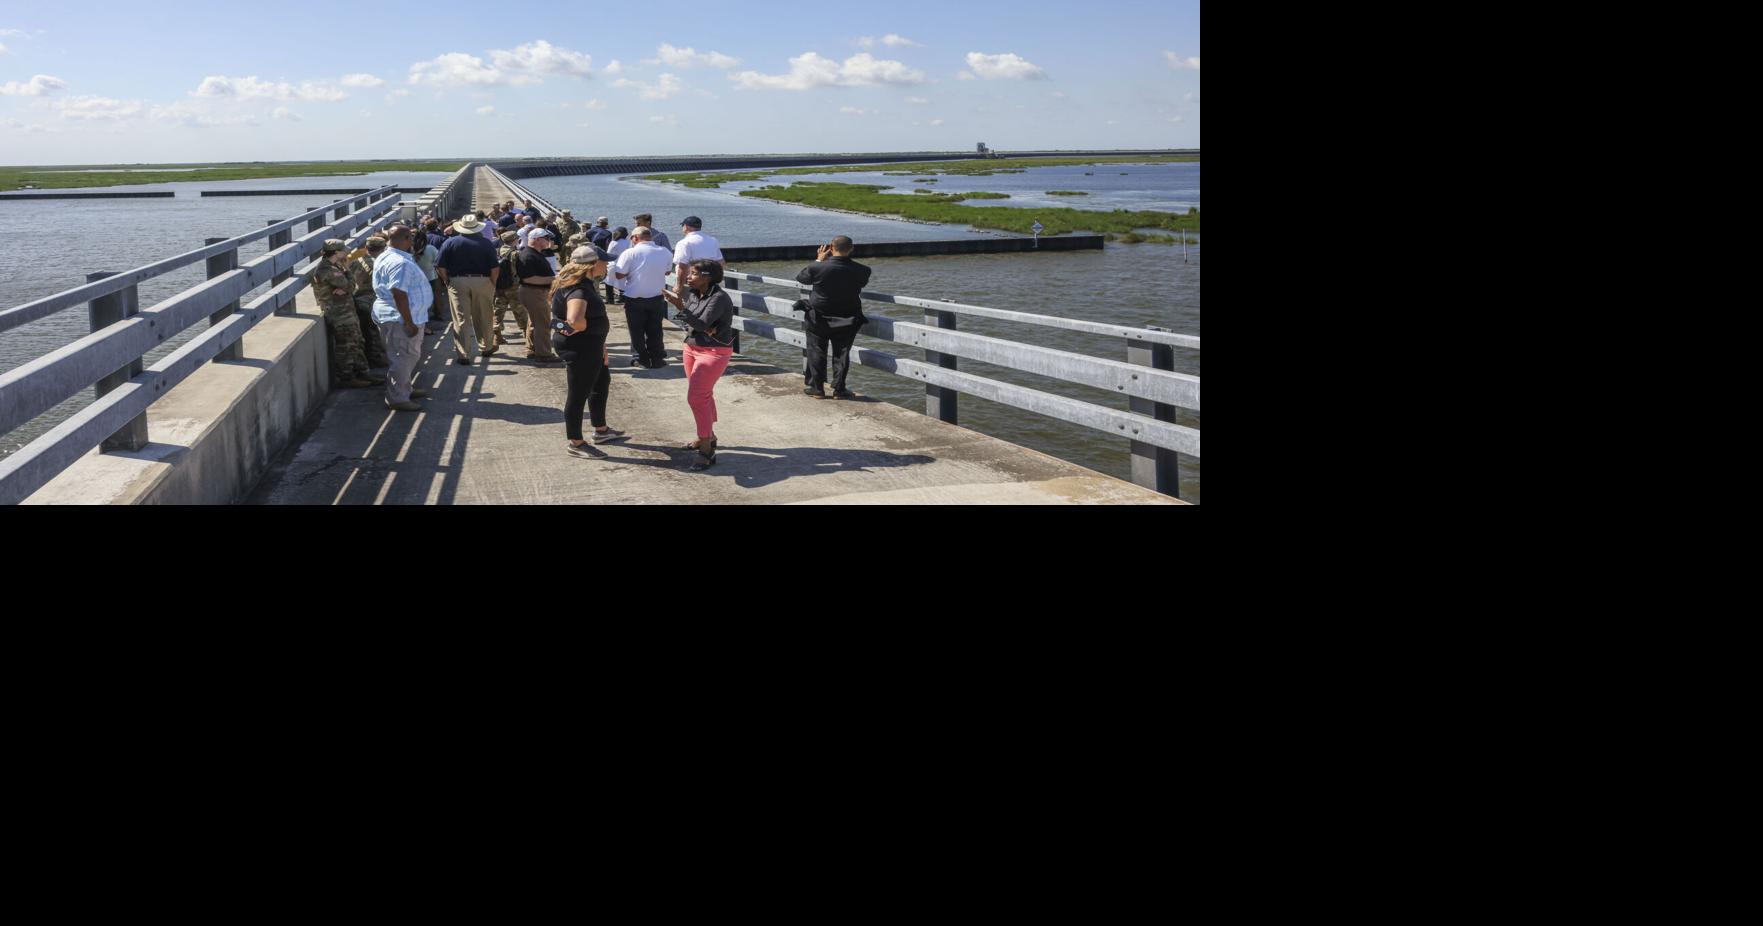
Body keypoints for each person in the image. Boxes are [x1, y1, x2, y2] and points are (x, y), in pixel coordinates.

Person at [550, 246, 628, 456]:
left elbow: (560, 322)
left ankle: (601, 430)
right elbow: (575, 321)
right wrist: (579, 328)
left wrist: (600, 344)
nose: (608, 264)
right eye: (604, 261)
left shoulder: (578, 283)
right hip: (581, 349)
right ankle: (576, 443)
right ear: (592, 265)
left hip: (591, 345)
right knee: (578, 394)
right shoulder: (580, 289)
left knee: (601, 383)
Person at [662, 259, 737, 471]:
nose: (688, 277)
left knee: (696, 397)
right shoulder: (695, 294)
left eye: (693, 274)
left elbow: (701, 323)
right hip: (691, 347)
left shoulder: (719, 298)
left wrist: (681, 307)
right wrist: (698, 322)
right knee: (704, 394)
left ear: (707, 277)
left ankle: (706, 449)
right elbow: (693, 323)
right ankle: (708, 435)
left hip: (714, 351)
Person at [796, 236, 872, 399]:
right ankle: (839, 389)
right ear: (851, 249)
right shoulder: (863, 270)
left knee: (816, 351)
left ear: (831, 247)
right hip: (848, 318)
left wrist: (818, 260)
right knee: (842, 353)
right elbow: (861, 283)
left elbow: (802, 278)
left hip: (818, 317)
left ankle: (817, 389)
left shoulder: (817, 268)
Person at [372, 226, 434, 411]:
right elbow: (399, 293)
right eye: (411, 238)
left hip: (393, 314)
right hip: (401, 318)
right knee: (404, 356)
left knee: (403, 356)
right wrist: (409, 322)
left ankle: (404, 388)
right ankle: (398, 398)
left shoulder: (385, 255)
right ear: (407, 238)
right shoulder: (400, 263)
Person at [312, 239, 384, 390]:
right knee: (346, 346)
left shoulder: (335, 266)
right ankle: (347, 377)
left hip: (347, 310)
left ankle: (363, 373)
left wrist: (346, 281)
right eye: (343, 250)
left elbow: (349, 287)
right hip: (339, 314)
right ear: (336, 252)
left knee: (358, 342)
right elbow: (351, 285)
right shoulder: (328, 270)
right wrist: (347, 273)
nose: (347, 252)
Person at [437, 213, 502, 364]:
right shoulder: (486, 243)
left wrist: (447, 280)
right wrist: (492, 283)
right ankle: (486, 347)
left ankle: (463, 354)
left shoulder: (450, 242)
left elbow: (440, 265)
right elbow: (495, 267)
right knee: (484, 316)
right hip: (483, 281)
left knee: (461, 319)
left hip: (457, 281)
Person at [610, 226, 673, 368]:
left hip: (635, 297)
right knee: (656, 329)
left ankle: (641, 358)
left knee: (636, 330)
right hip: (657, 296)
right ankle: (657, 358)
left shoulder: (630, 253)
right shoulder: (665, 252)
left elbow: (620, 274)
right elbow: (668, 272)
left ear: (635, 238)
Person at [513, 228, 563, 363]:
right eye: (546, 238)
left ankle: (532, 349)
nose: (549, 241)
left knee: (535, 322)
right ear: (537, 239)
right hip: (533, 292)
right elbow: (528, 278)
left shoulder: (533, 253)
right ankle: (544, 354)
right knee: (543, 323)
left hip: (533, 292)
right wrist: (554, 279)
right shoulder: (528, 255)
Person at [348, 237, 393, 368]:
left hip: (358, 300)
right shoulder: (381, 264)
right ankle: (376, 358)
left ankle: (366, 358)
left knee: (363, 332)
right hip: (373, 301)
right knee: (375, 332)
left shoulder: (356, 261)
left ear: (366, 248)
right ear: (383, 249)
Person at [672, 216, 725, 298]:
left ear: (686, 226)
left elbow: (682, 267)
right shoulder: (712, 240)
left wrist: (678, 286)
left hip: (691, 283)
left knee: (690, 308)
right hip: (709, 282)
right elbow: (721, 263)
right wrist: (714, 281)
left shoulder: (684, 243)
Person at [414, 227, 451, 336]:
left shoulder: (412, 249)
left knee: (420, 300)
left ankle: (423, 319)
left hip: (418, 278)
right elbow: (438, 263)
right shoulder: (430, 248)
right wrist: (444, 278)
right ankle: (438, 314)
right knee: (436, 296)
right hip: (431, 276)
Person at [495, 230, 528, 346]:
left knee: (498, 311)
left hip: (499, 287)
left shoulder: (497, 251)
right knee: (520, 311)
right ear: (514, 240)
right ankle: (528, 337)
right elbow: (522, 270)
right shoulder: (516, 253)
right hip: (514, 287)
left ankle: (497, 338)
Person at [603, 226, 630, 305]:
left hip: (612, 264)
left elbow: (608, 253)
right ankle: (623, 299)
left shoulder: (613, 242)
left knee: (609, 283)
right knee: (623, 283)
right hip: (623, 265)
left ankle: (610, 299)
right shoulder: (628, 243)